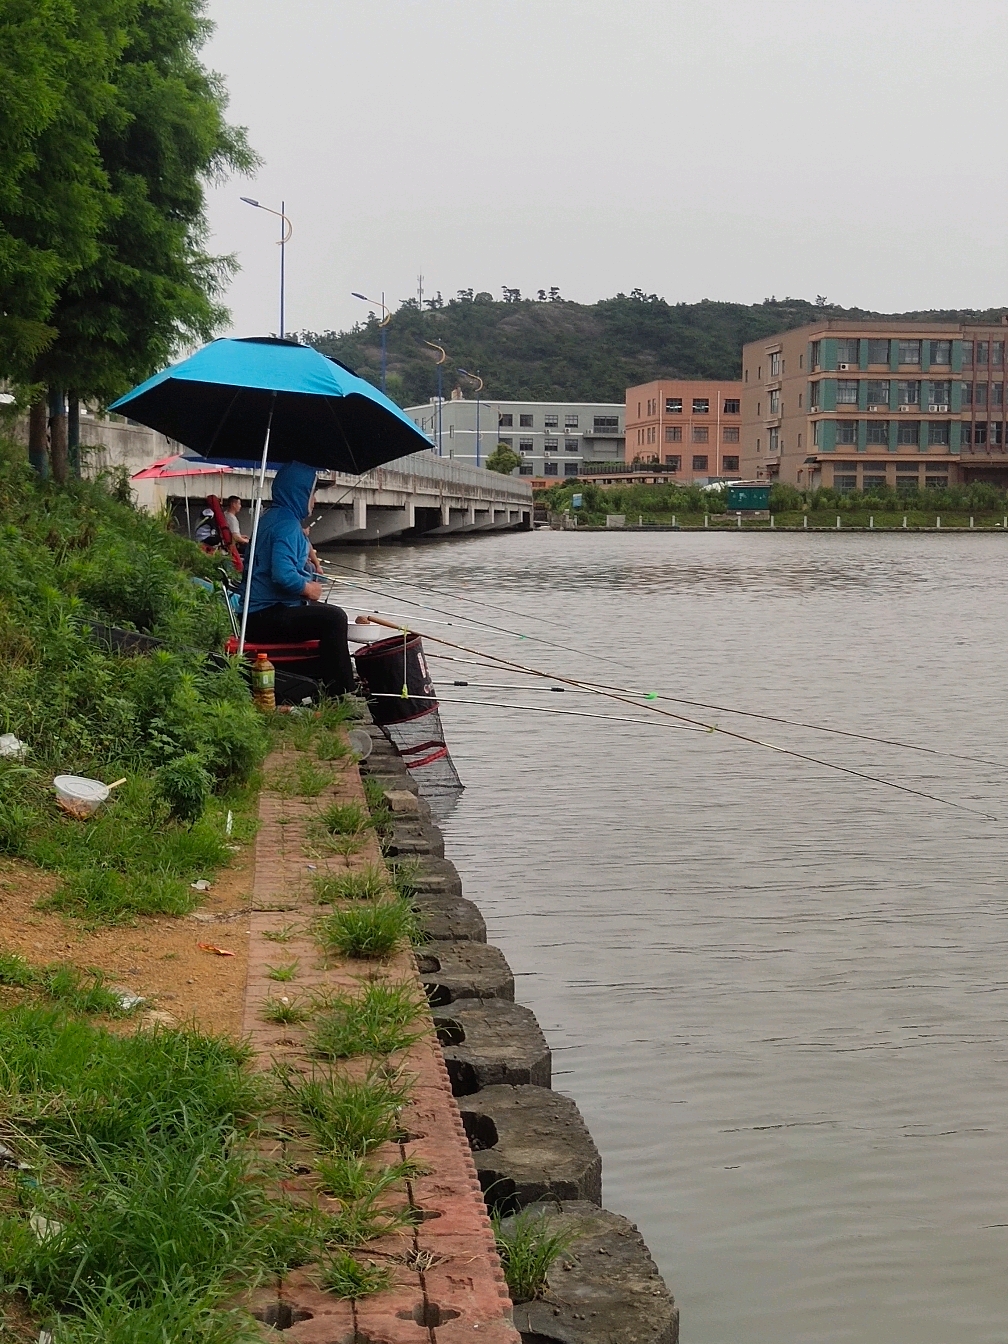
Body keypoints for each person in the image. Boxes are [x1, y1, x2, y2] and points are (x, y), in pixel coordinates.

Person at [243, 460, 355, 696]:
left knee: (325, 615)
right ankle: (341, 693)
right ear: (299, 493)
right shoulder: (286, 525)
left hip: (255, 615)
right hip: (264, 617)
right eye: (311, 494)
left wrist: (312, 574)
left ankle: (328, 682)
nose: (314, 501)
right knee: (334, 618)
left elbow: (283, 565)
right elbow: (282, 575)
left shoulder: (274, 517)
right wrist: (308, 589)